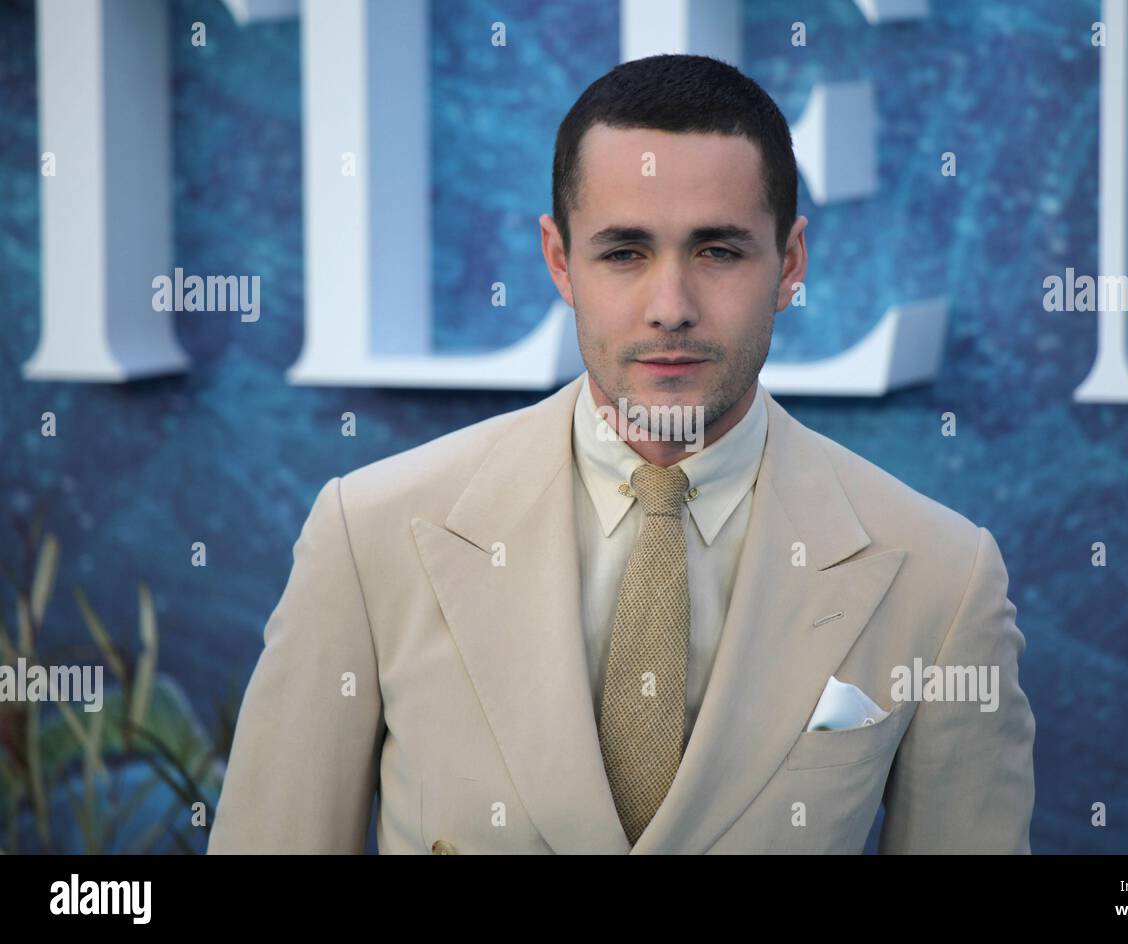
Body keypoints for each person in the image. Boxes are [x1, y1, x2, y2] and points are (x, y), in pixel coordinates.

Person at [208, 53, 1034, 854]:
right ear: (560, 260)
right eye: (624, 252)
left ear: (790, 265)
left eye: (718, 251)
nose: (669, 307)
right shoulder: (372, 535)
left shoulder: (941, 577)